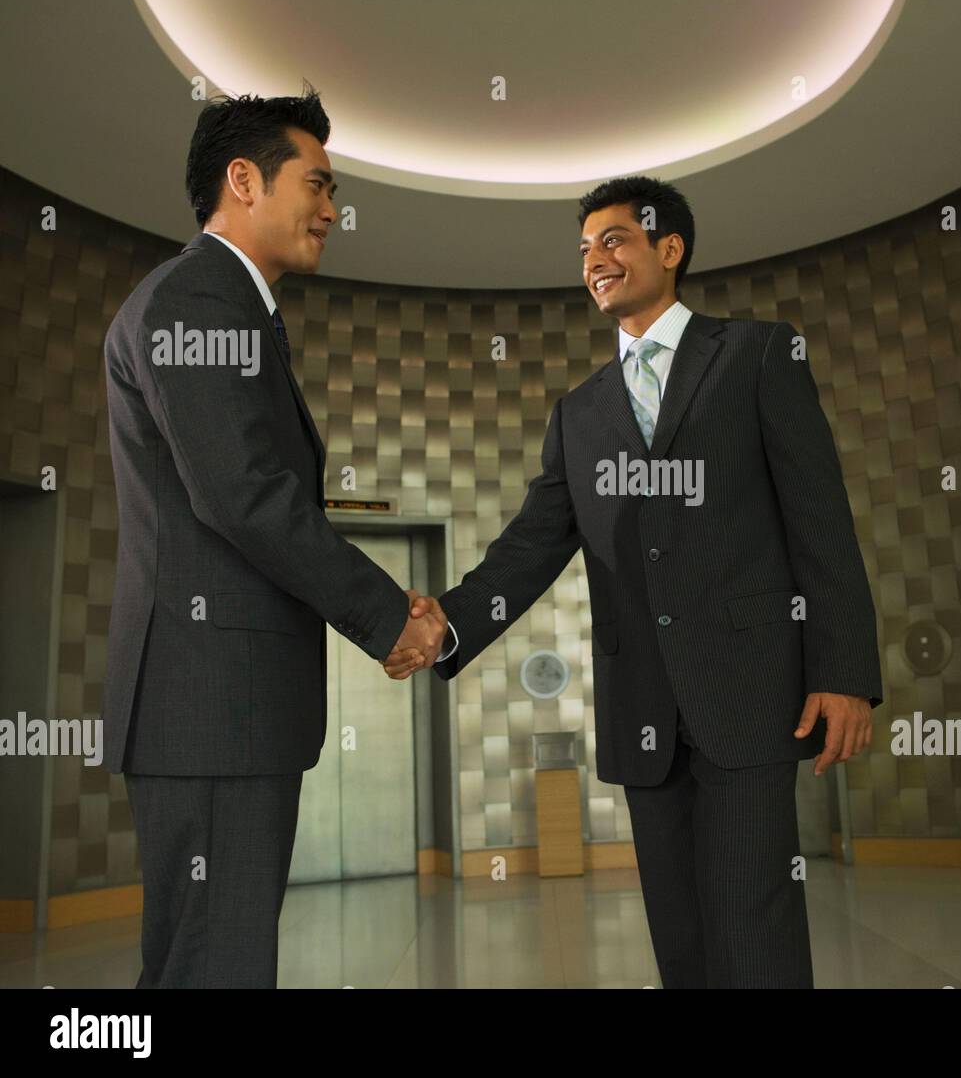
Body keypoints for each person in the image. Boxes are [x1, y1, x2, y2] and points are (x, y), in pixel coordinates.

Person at [389, 176, 883, 988]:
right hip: (641, 707)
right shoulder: (579, 414)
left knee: (754, 926)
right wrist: (446, 623)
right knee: (681, 940)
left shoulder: (758, 354)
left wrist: (844, 671)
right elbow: (531, 546)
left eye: (613, 240)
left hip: (752, 693)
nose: (595, 261)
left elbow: (820, 522)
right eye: (584, 250)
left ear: (670, 247)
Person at [102, 87, 447, 988]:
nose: (333, 209)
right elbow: (244, 494)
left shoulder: (233, 308)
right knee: (213, 964)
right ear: (244, 179)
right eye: (319, 183)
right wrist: (386, 613)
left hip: (225, 710)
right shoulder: (195, 300)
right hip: (211, 704)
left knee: (210, 959)